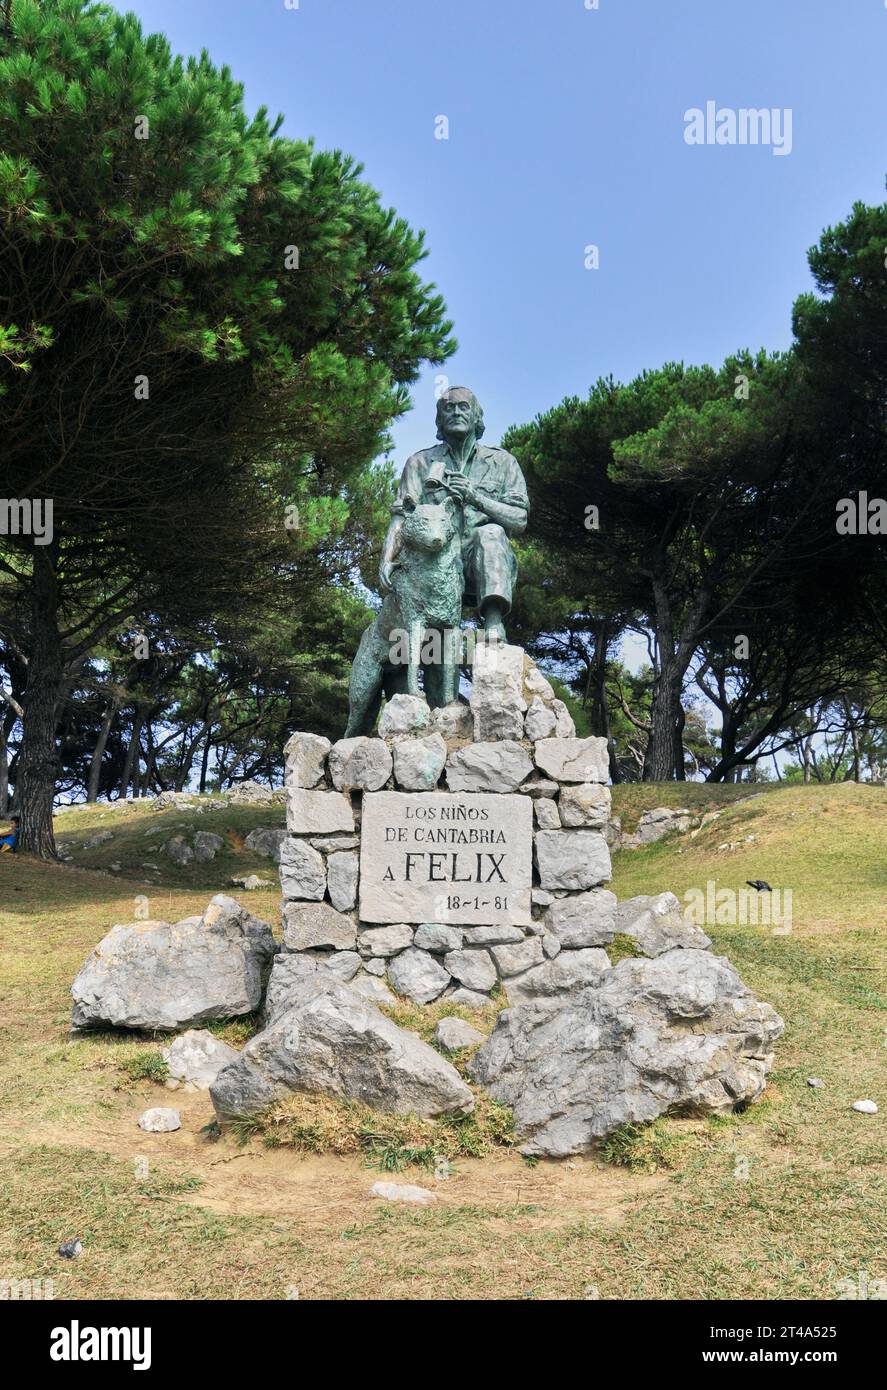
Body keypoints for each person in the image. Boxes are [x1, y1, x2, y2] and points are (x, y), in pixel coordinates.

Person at [378, 386, 529, 642]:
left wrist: (476, 498)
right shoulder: (420, 463)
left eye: (463, 407)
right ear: (439, 420)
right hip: (434, 565)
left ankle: (493, 622)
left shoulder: (503, 462)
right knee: (439, 654)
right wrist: (386, 558)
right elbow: (402, 517)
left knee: (491, 532)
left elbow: (519, 518)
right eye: (448, 408)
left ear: (476, 417)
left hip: (479, 560)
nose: (456, 412)